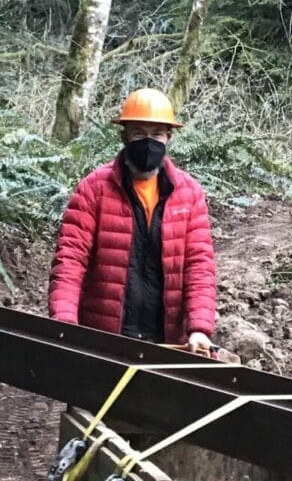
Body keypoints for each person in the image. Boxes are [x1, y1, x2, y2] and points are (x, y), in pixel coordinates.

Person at [47, 88, 217, 352]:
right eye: (139, 133)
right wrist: (64, 320)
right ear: (124, 136)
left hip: (165, 336)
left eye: (157, 134)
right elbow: (70, 258)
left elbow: (199, 266)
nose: (149, 142)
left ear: (168, 138)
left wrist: (199, 328)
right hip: (105, 335)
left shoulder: (189, 193)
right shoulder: (94, 189)